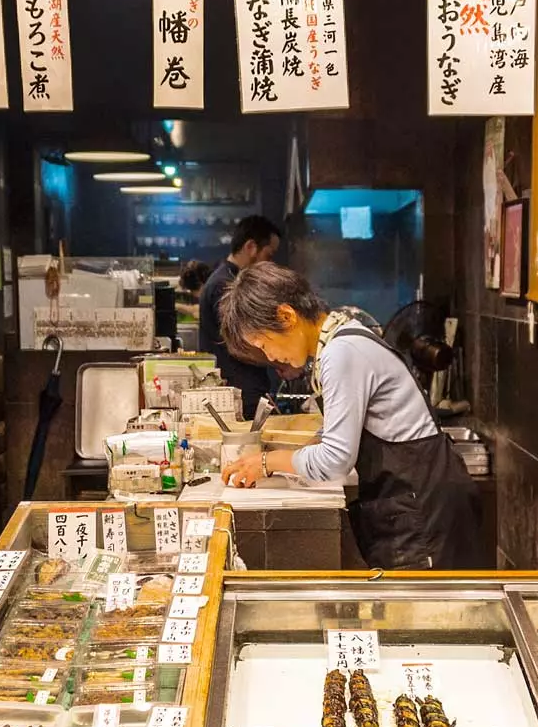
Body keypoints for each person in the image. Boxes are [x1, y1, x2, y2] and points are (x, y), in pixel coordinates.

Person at [217, 263, 486, 571]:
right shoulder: (343, 336)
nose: (271, 357)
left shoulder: (341, 352)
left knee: (432, 616)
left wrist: (266, 463)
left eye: (264, 344)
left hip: (424, 515)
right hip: (413, 503)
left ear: (286, 317)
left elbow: (334, 459)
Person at [199, 215, 282, 418]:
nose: (269, 265)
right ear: (251, 247)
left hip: (246, 389)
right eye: (269, 256)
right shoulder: (226, 285)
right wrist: (282, 361)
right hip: (239, 393)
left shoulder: (228, 278)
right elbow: (241, 344)